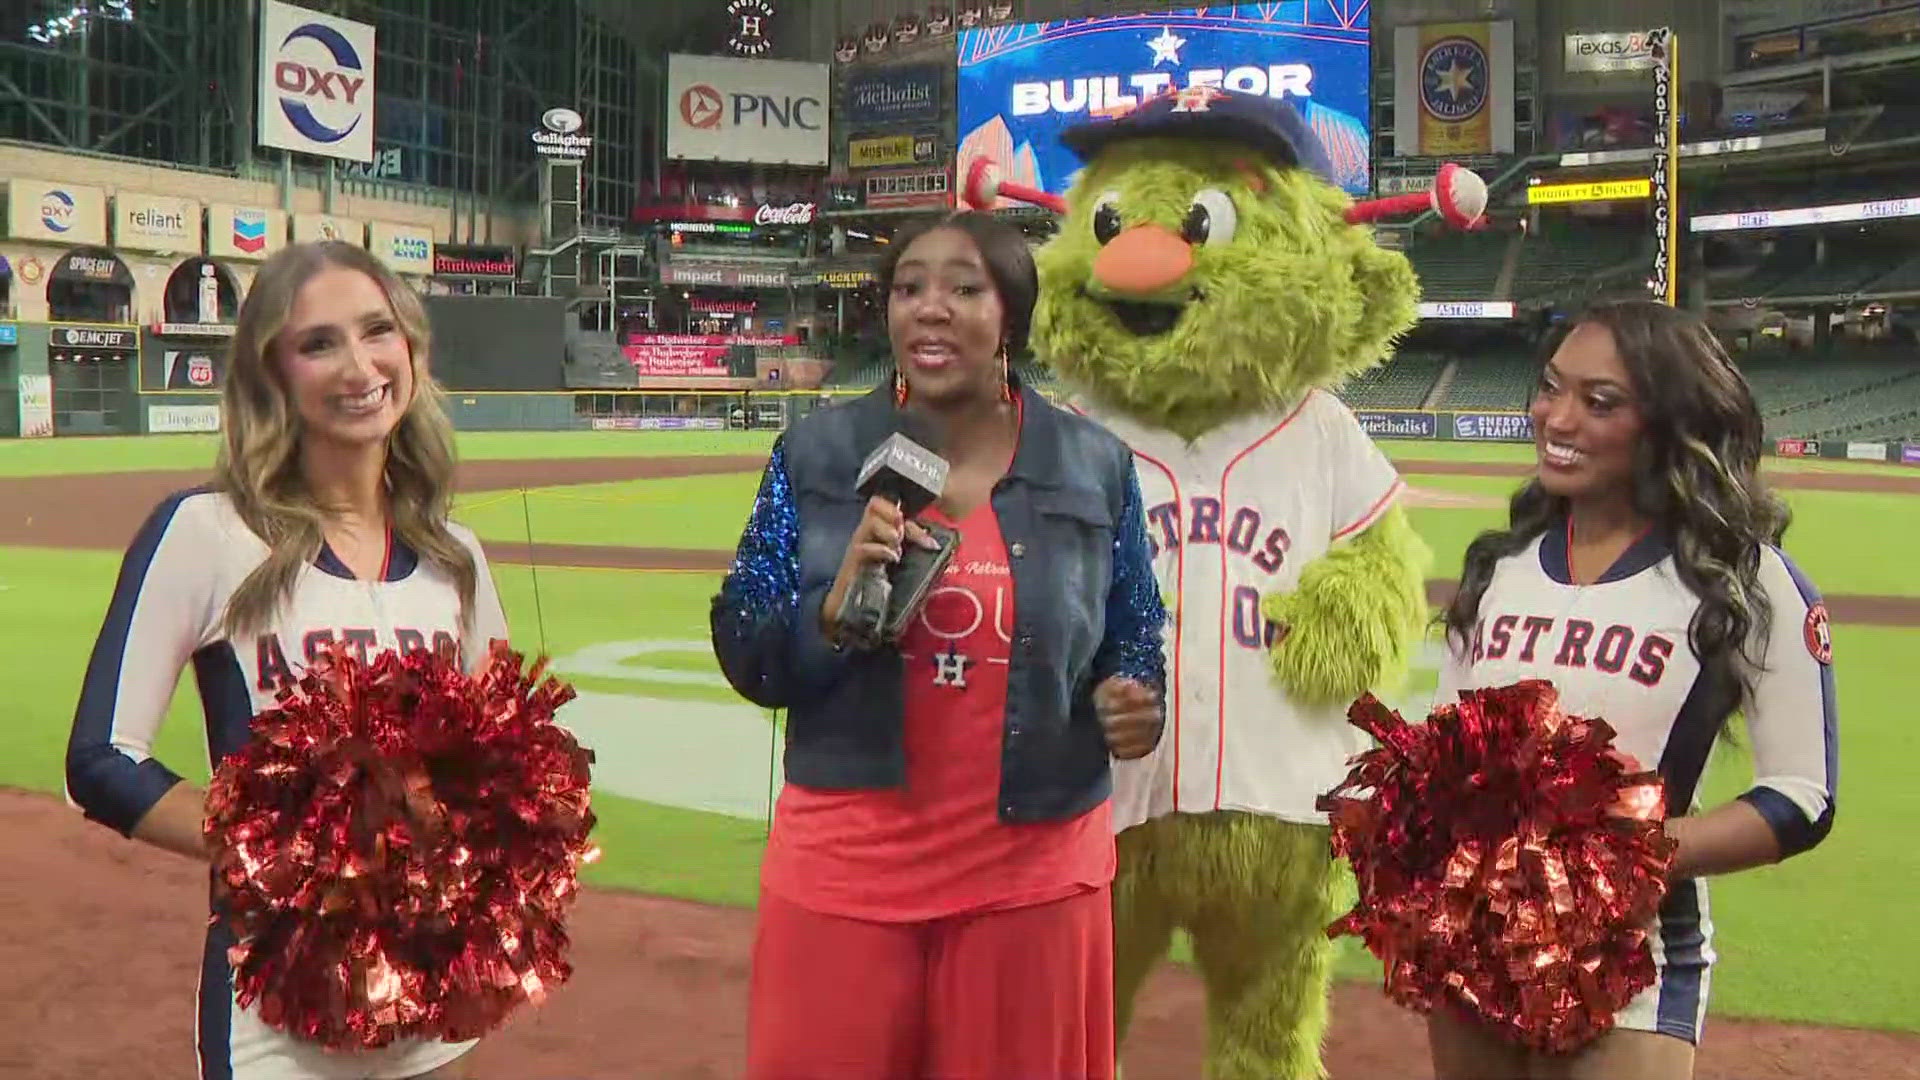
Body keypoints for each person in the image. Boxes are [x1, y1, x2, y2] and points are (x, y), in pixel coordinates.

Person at [709, 209, 1169, 1079]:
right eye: (908, 287)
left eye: (964, 288)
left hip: (1033, 883)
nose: (930, 307)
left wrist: (1134, 698)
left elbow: (1133, 632)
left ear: (1012, 316)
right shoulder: (815, 453)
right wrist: (829, 615)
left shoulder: (1094, 464)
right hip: (845, 878)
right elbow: (748, 646)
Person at [64, 240, 508, 1080]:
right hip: (277, 1005)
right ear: (273, 374)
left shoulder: (459, 557)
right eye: (318, 343)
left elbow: (498, 768)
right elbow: (100, 760)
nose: (359, 365)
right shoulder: (206, 533)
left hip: (436, 1000)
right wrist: (294, 848)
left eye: (378, 330)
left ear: (410, 346)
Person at [1429, 299, 1839, 1080]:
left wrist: (1622, 852)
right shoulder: (1501, 570)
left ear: (1667, 422)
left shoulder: (1748, 583)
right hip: (1473, 949)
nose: (1558, 416)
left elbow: (1802, 796)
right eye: (1551, 388)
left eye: (1600, 401)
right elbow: (1446, 758)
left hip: (1633, 968)